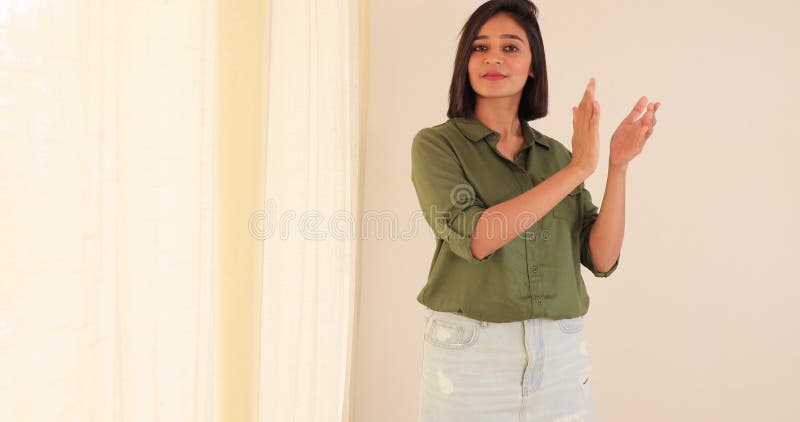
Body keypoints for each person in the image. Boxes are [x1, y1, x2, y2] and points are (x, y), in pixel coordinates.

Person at [410, 0, 660, 420]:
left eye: (510, 47)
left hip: (561, 354)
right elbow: (477, 238)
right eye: (479, 47)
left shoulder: (556, 156)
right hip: (472, 356)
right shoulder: (437, 145)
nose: (492, 57)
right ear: (464, 63)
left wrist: (617, 165)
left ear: (533, 67)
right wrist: (580, 167)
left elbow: (601, 257)